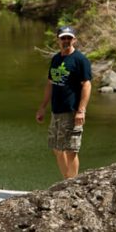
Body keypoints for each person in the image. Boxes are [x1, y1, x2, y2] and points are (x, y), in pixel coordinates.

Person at [36, 25, 91, 179]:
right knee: (56, 148)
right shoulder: (56, 59)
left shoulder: (80, 60)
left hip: (72, 111)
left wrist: (81, 110)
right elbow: (50, 83)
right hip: (56, 111)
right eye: (63, 38)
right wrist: (42, 107)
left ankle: (72, 186)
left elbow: (86, 85)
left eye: (69, 37)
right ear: (58, 40)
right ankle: (67, 181)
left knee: (71, 150)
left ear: (75, 39)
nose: (66, 40)